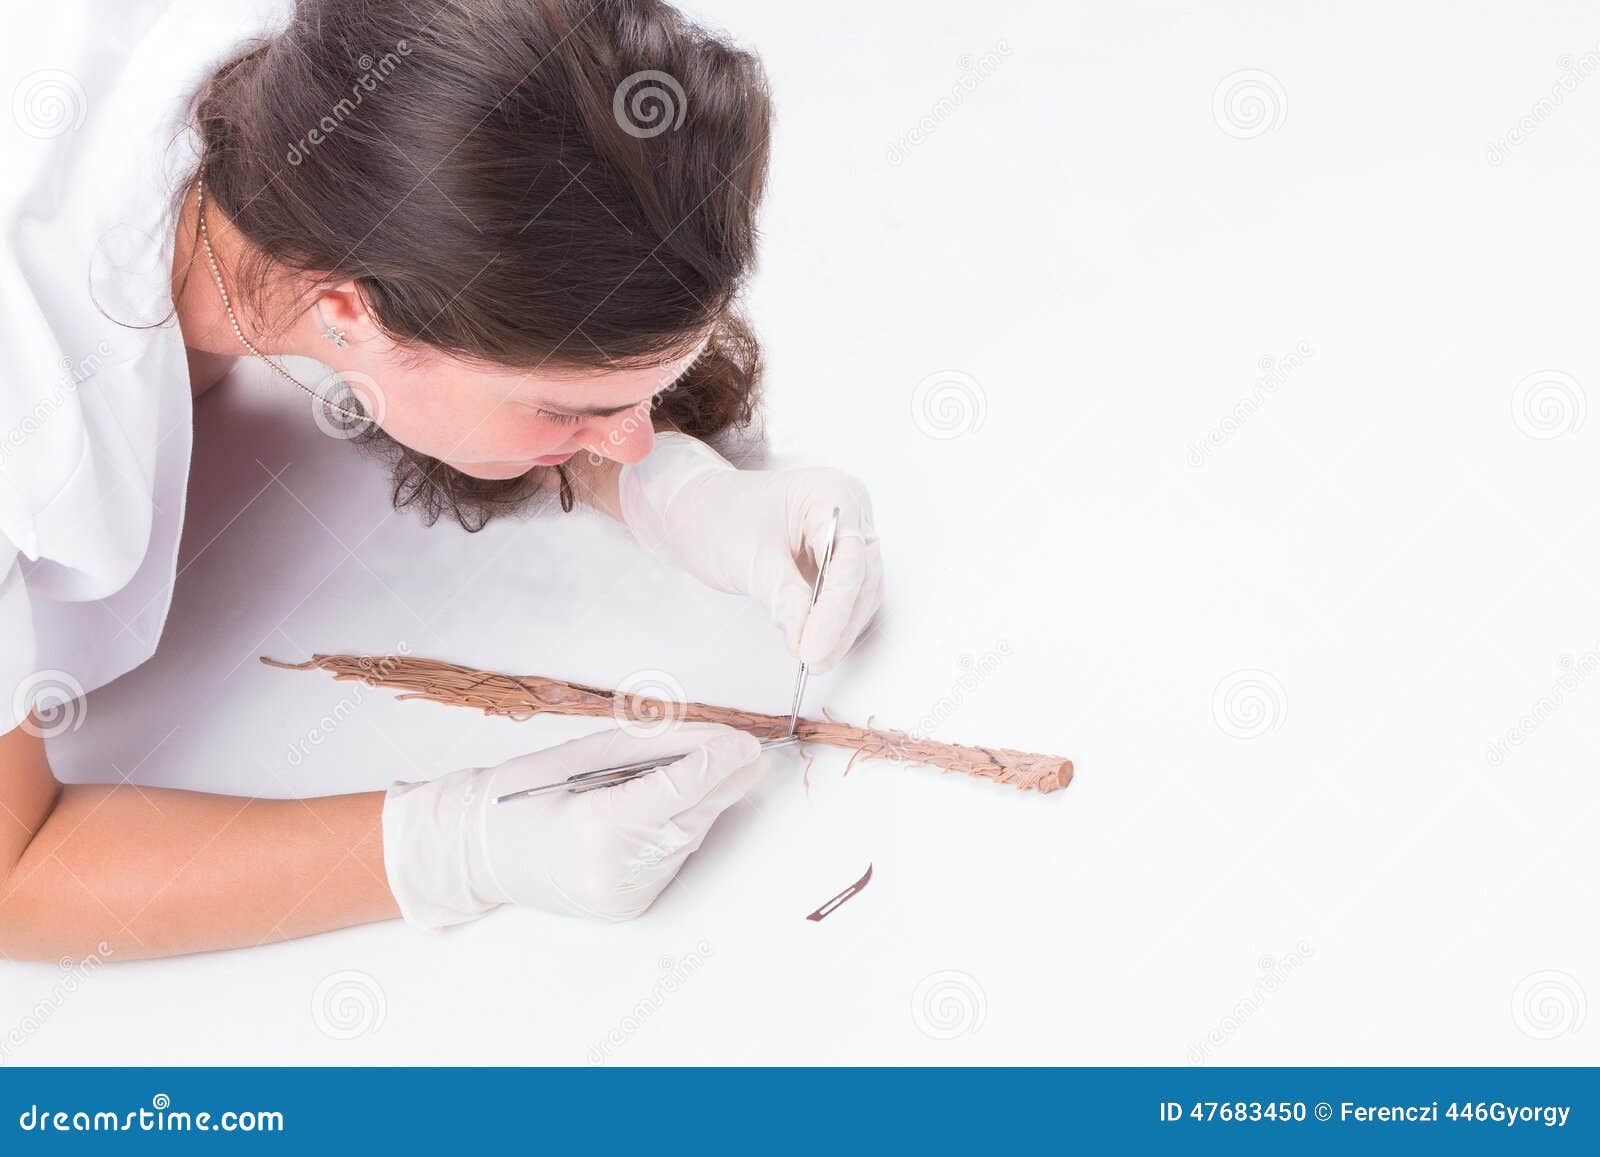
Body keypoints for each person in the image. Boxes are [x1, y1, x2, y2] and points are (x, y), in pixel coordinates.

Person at [0, 0, 882, 961]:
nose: (626, 443)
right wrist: (451, 848)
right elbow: (13, 870)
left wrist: (675, 484)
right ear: (345, 307)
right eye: (563, 411)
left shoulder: (358, 74)